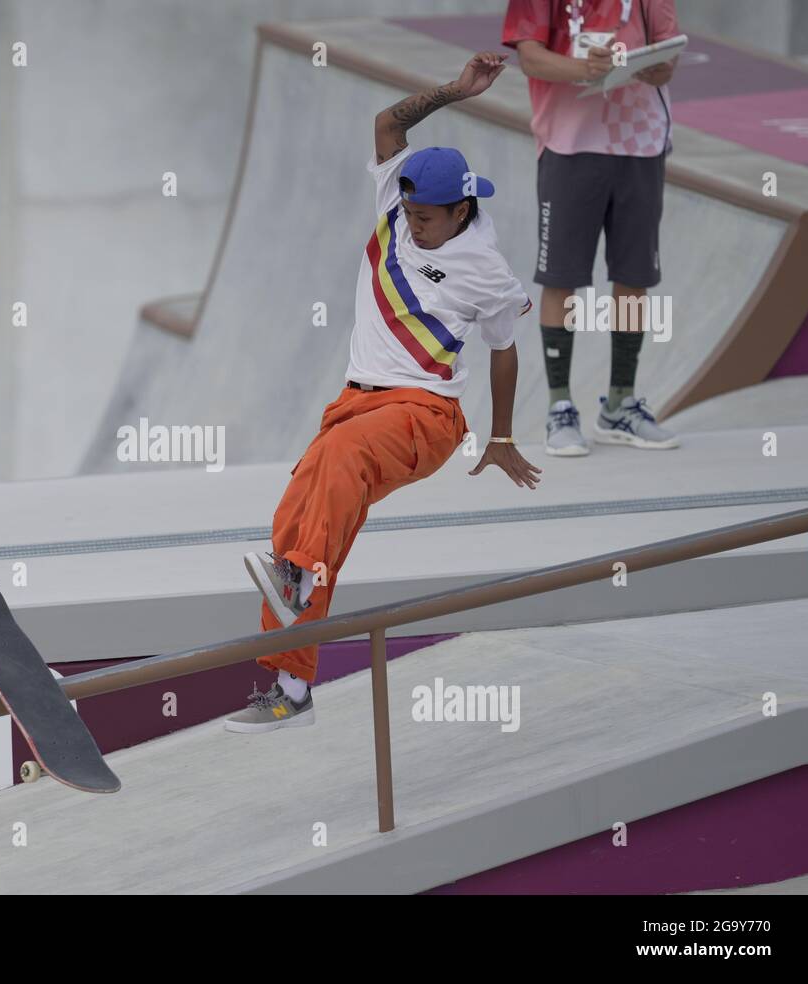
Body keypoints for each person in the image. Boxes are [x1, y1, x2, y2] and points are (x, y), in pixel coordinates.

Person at [225, 51, 540, 734]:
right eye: (408, 213)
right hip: (355, 403)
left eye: (427, 219)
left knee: (335, 477)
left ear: (462, 210)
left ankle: (299, 579)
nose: (412, 224)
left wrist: (505, 435)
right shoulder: (398, 197)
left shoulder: (485, 269)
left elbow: (505, 351)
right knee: (297, 511)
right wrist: (456, 90)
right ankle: (292, 687)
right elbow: (387, 121)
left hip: (425, 415)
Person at [502, 0, 682, 455]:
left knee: (633, 277)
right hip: (569, 143)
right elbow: (529, 56)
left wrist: (657, 68)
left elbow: (668, 54)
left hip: (639, 141)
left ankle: (620, 402)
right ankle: (560, 407)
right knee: (562, 277)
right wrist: (583, 67)